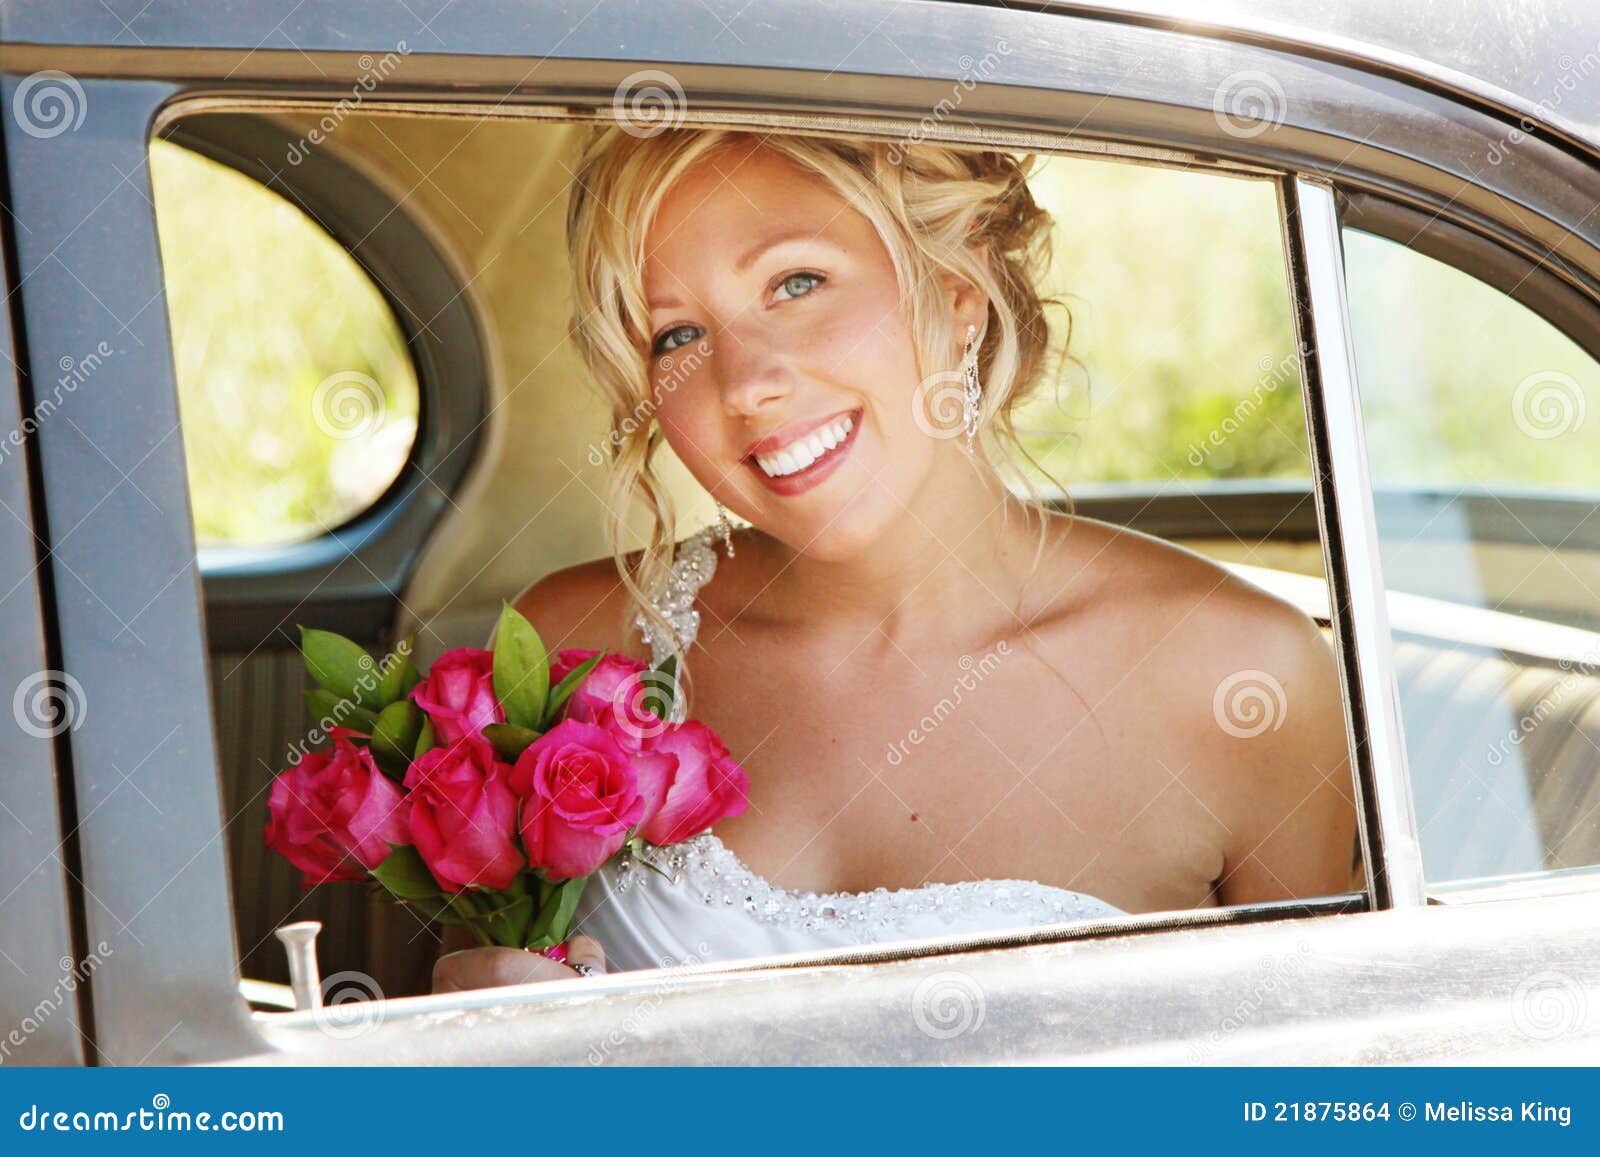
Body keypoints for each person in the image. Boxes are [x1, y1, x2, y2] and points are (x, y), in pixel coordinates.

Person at [431, 127, 1356, 994]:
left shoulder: (1244, 682)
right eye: (678, 334)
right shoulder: (567, 648)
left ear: (955, 287)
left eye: (796, 283)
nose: (746, 381)